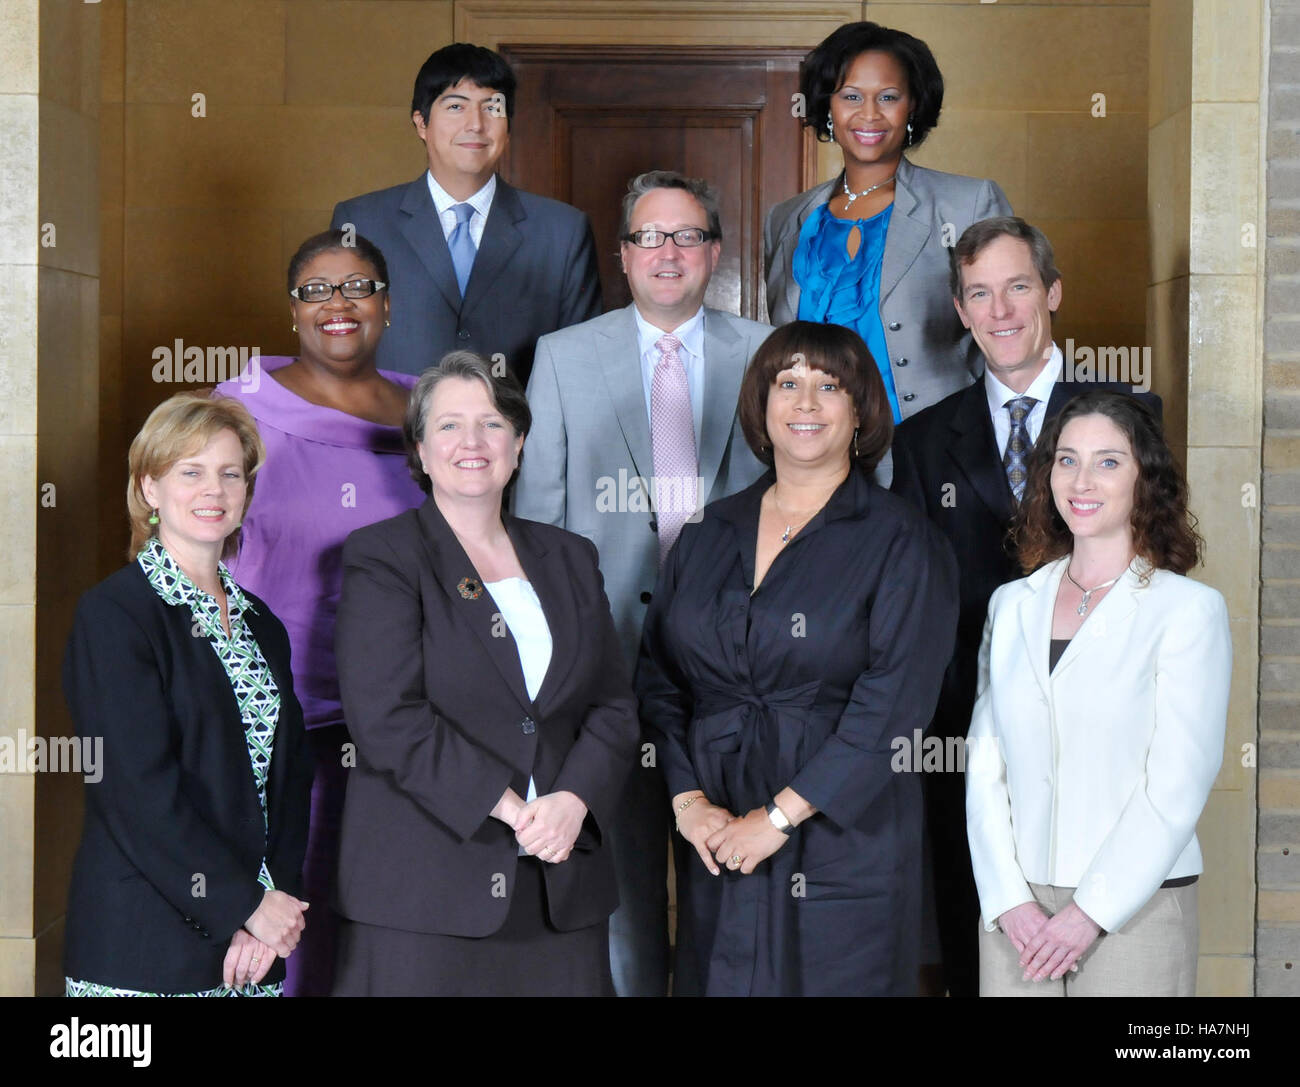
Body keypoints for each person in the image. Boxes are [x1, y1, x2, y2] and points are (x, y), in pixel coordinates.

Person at [636, 321, 958, 996]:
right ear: (761, 403)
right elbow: (660, 680)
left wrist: (779, 817)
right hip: (718, 832)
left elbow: (894, 708)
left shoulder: (904, 540)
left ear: (862, 410)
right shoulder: (705, 531)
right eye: (788, 383)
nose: (805, 403)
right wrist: (687, 798)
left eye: (829, 386)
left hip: (846, 833)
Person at [513, 170, 771, 996]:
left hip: (740, 665)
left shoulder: (768, 351)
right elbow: (540, 529)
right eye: (650, 237)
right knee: (618, 890)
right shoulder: (561, 356)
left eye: (687, 236)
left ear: (715, 254)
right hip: (604, 665)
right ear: (623, 256)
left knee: (731, 880)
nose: (669, 253)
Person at [890, 216, 1161, 997]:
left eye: (1017, 287)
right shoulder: (920, 442)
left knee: (1107, 946)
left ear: (1053, 292)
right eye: (980, 293)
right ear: (961, 310)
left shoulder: (1132, 416)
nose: (1001, 310)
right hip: (967, 734)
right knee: (984, 950)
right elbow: (916, 599)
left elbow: (1157, 561)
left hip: (1103, 725)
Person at [331, 353, 638, 996]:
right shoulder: (382, 555)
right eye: (448, 426)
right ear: (419, 446)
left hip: (560, 885)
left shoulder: (571, 557)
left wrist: (574, 801)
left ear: (519, 444)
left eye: (492, 423)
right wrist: (511, 809)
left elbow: (613, 704)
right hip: (428, 889)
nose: (471, 443)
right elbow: (386, 717)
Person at [214, 229, 426, 996]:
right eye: (316, 290)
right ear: (292, 310)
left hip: (402, 716)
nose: (339, 303)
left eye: (358, 286)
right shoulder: (239, 409)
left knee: (374, 920)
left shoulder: (429, 409)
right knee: (283, 913)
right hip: (278, 714)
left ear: (388, 305)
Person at [966, 390, 1231, 996]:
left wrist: (1088, 915)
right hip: (1018, 910)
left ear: (1146, 479)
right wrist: (1008, 900)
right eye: (1067, 459)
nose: (1082, 480)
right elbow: (983, 765)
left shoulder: (1186, 611)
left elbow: (1177, 783)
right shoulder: (1012, 605)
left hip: (1136, 906)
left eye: (1109, 461)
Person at [62, 392, 313, 996]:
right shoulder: (115, 615)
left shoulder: (260, 622)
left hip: (251, 952)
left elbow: (288, 784)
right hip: (145, 946)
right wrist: (242, 905)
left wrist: (266, 912)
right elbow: (136, 791)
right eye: (190, 471)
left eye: (230, 473)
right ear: (150, 488)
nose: (214, 490)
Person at [765, 20, 1011, 426]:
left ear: (912, 105)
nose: (869, 114)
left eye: (888, 97)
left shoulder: (967, 205)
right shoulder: (786, 220)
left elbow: (1009, 331)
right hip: (813, 449)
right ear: (828, 106)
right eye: (851, 96)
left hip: (934, 450)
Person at [330, 42, 601, 383]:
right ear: (421, 123)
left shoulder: (563, 231)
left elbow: (583, 365)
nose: (476, 124)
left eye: (492, 107)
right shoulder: (361, 222)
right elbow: (335, 348)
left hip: (520, 433)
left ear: (508, 126)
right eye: (456, 106)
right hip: (390, 431)